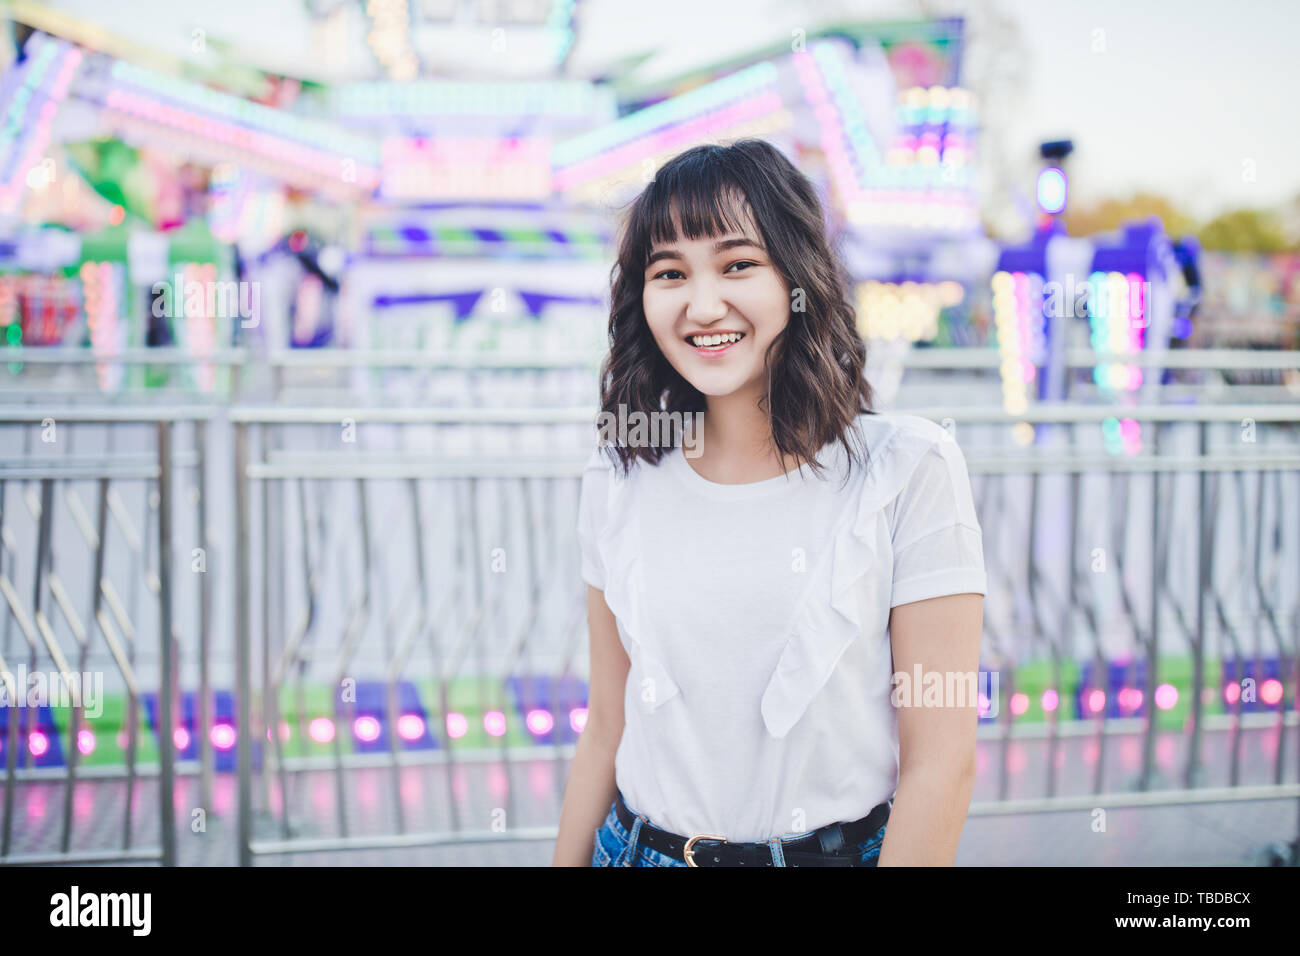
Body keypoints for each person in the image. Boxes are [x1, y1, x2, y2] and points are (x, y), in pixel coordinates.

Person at [551, 139, 986, 867]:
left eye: (738, 264)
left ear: (799, 278)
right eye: (669, 273)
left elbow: (941, 762)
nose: (702, 303)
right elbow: (605, 726)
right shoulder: (619, 473)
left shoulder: (907, 468)